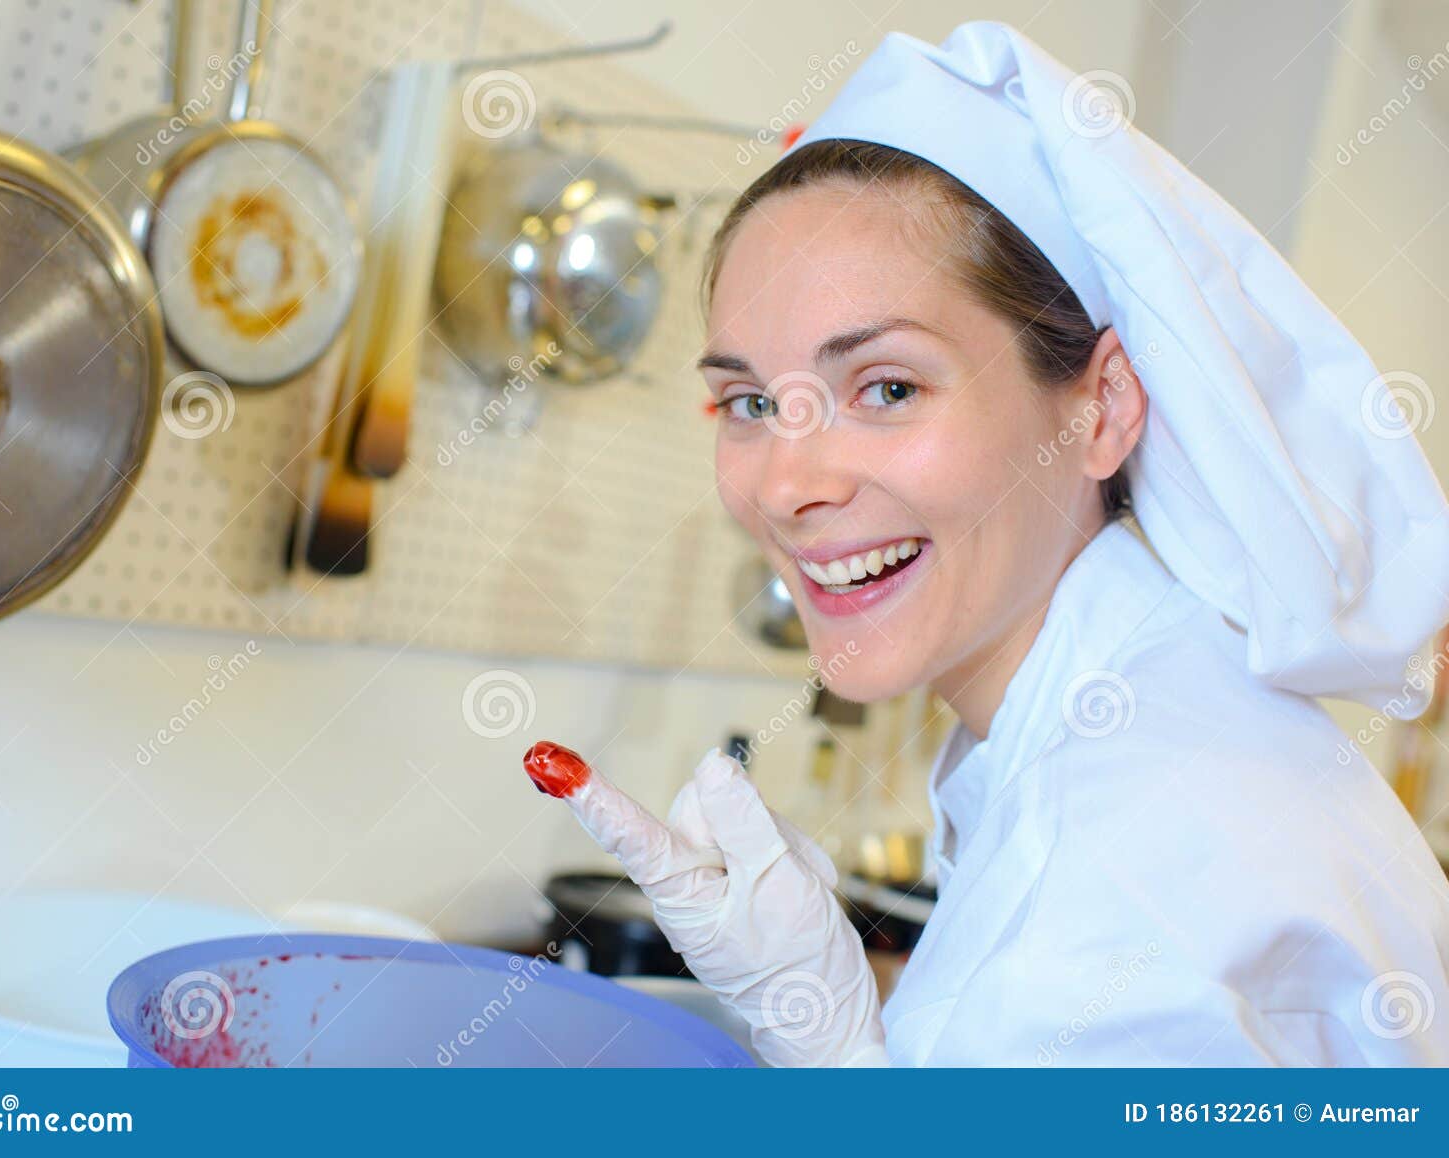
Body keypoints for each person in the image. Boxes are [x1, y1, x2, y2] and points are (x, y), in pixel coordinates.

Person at [537, 22, 1449, 1066]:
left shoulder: (1103, 920)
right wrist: (831, 1036)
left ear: (1099, 406)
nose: (788, 486)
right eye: (748, 401)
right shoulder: (1157, 709)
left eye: (886, 388)